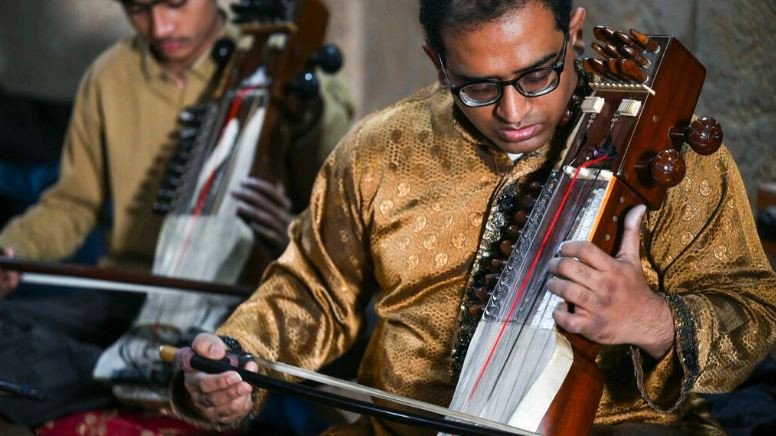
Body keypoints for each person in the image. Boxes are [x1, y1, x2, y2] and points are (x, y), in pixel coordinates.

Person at [176, 0, 776, 434]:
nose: (514, 112)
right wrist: (236, 356)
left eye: (539, 73)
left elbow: (753, 312)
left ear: (573, 28)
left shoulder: (661, 149)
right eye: (478, 86)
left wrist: (652, 320)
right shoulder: (379, 150)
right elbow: (311, 291)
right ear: (437, 61)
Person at [0, 0, 352, 430]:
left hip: (236, 301)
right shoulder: (111, 76)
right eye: (139, 10)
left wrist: (289, 233)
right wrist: (14, 248)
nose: (161, 27)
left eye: (176, 4)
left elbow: (340, 234)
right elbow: (72, 203)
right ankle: (143, 369)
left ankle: (139, 371)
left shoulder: (294, 73)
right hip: (128, 293)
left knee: (261, 358)